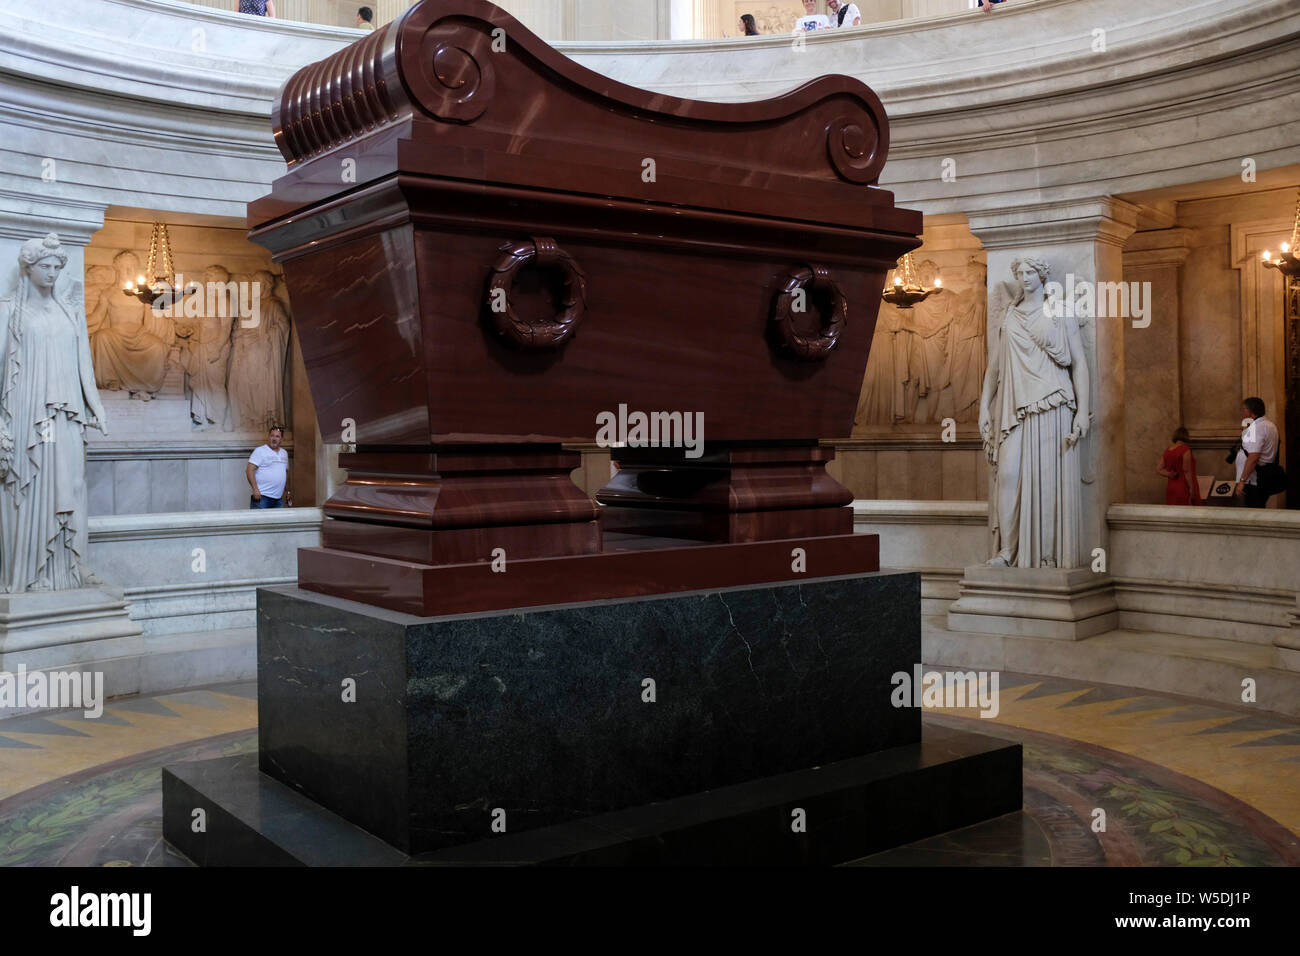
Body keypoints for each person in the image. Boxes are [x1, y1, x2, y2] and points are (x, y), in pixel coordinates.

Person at [0, 234, 108, 591]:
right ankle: (33, 572)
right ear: (28, 269)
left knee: (70, 482)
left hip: (67, 416)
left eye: (57, 267)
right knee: (35, 485)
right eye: (44, 266)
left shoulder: (70, 312)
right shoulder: (10, 313)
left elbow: (84, 366)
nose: (51, 273)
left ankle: (68, 566)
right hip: (30, 415)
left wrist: (96, 407)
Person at [979, 256, 1090, 568]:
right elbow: (995, 366)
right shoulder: (1010, 315)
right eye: (1020, 273)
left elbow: (1079, 363)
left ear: (1041, 276)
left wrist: (1083, 411)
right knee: (1009, 475)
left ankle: (1046, 554)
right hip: (1013, 405)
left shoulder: (1060, 313)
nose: (1024, 278)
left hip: (1053, 401)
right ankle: (1007, 552)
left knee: (1047, 480)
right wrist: (984, 407)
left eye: (1030, 272)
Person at [1234, 397, 1280, 508]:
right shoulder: (1269, 425)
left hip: (1253, 480)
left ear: (1249, 411)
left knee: (1253, 514)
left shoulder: (1256, 428)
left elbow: (1253, 457)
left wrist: (1242, 482)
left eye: (1243, 409)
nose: (1241, 412)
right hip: (1262, 478)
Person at [247, 426, 291, 508]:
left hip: (278, 499)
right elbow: (249, 470)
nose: (274, 439)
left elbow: (285, 473)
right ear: (268, 437)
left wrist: (288, 492)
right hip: (262, 497)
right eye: (272, 435)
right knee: (259, 521)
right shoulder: (260, 451)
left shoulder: (284, 453)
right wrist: (255, 489)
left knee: (279, 521)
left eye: (277, 436)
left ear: (282, 439)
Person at [1157, 426, 1201, 505]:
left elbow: (1159, 469)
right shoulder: (1185, 449)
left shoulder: (1168, 450)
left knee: (1173, 513)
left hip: (1171, 487)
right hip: (1183, 487)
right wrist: (1191, 488)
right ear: (1186, 436)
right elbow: (1186, 471)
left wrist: (1169, 474)